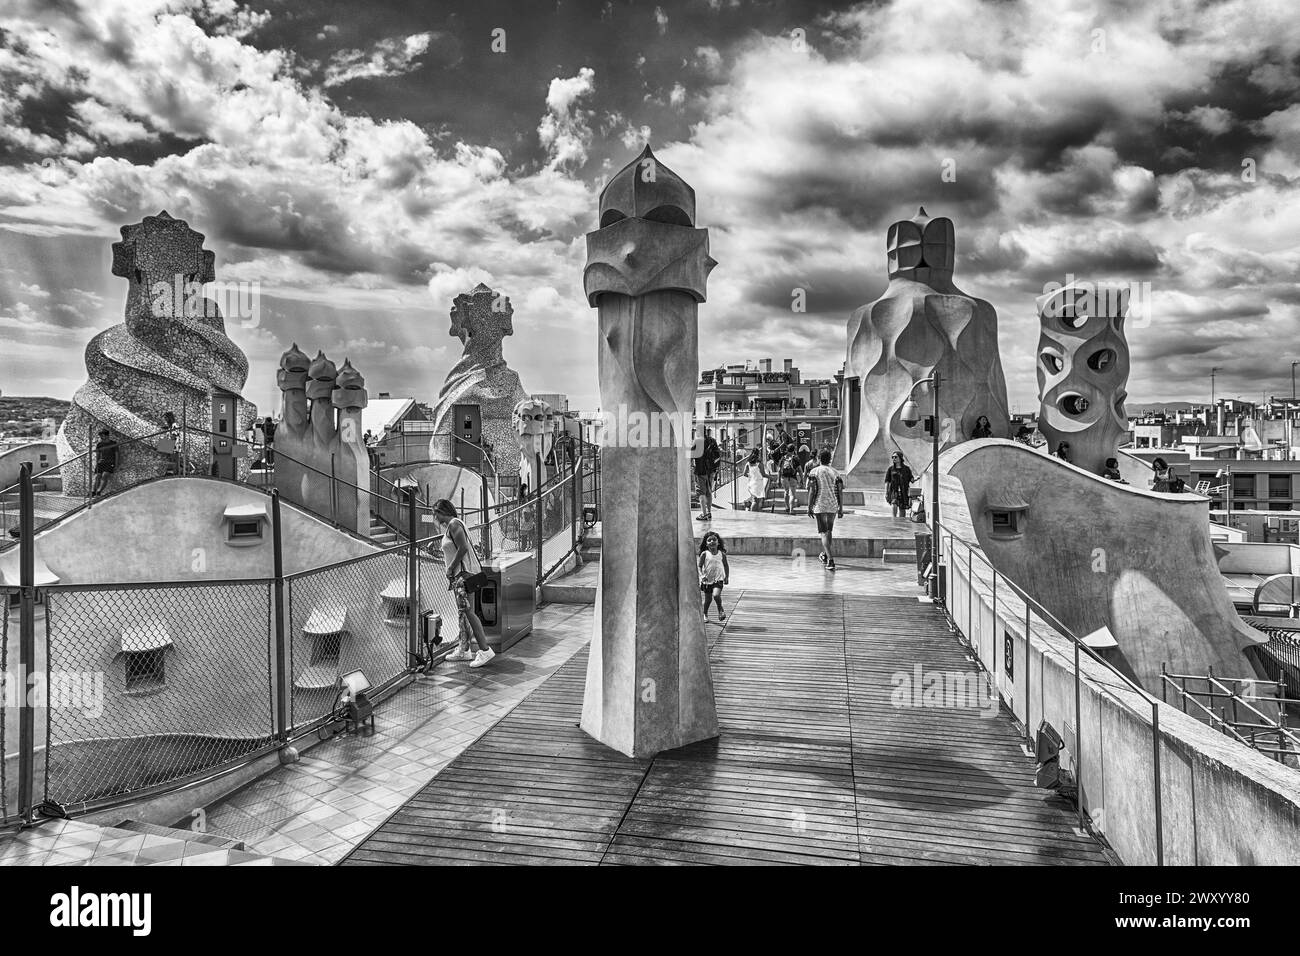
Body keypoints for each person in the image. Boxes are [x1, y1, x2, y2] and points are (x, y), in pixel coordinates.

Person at [431, 499, 495, 668]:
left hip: (462, 576)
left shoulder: (453, 524)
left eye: (435, 513)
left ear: (440, 511)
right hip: (460, 576)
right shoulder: (453, 525)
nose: (434, 517)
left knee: (468, 611)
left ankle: (485, 650)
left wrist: (451, 568)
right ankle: (464, 649)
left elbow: (463, 548)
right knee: (464, 612)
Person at [806, 449, 844, 572]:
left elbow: (811, 490)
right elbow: (840, 491)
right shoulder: (836, 472)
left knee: (823, 532)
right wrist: (841, 508)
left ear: (819, 458)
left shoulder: (814, 471)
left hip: (820, 504)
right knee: (829, 531)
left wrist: (809, 506)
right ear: (830, 459)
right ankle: (824, 554)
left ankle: (831, 560)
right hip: (833, 505)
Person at [698, 531, 730, 622]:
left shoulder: (722, 554)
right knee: (708, 600)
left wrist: (726, 577)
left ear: (718, 542)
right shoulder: (704, 554)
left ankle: (720, 610)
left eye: (714, 539)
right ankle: (705, 614)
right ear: (706, 543)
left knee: (716, 595)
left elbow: (726, 565)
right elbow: (699, 566)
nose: (712, 541)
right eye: (709, 540)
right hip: (707, 580)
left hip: (718, 579)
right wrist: (702, 575)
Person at [694, 428, 722, 521]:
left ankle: (704, 513)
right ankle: (709, 512)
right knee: (708, 491)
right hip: (711, 470)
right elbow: (718, 455)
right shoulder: (712, 441)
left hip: (700, 471)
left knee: (701, 492)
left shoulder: (697, 442)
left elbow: (690, 455)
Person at [884, 451, 916, 519]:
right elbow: (887, 481)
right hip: (893, 490)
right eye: (892, 457)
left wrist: (915, 478)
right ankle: (894, 519)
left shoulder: (906, 469)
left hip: (904, 491)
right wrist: (886, 493)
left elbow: (911, 479)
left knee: (902, 508)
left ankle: (901, 523)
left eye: (895, 457)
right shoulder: (890, 469)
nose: (894, 458)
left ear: (900, 458)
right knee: (894, 503)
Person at [91, 428, 117, 495]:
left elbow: (117, 455)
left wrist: (116, 465)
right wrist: (97, 464)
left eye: (102, 436)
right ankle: (93, 491)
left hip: (110, 463)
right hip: (101, 463)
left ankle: (99, 491)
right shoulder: (99, 444)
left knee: (104, 475)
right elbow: (98, 455)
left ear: (107, 435)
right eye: (100, 436)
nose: (101, 437)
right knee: (97, 476)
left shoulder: (113, 443)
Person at [777, 444, 800, 514]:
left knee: (786, 492)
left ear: (787, 450)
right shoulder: (795, 458)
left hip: (784, 478)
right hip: (793, 477)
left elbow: (779, 470)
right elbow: (800, 470)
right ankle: (791, 510)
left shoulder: (783, 458)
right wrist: (801, 479)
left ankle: (787, 507)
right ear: (794, 450)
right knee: (792, 494)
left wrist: (778, 479)